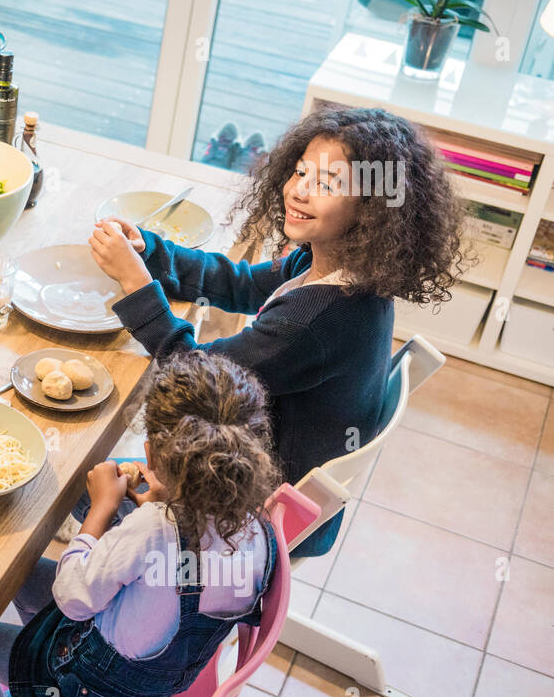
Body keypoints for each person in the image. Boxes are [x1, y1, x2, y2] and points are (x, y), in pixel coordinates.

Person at [89, 107, 467, 556]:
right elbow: (241, 283)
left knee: (83, 481)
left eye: (326, 184)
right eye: (301, 171)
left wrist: (136, 286)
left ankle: (89, 611)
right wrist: (150, 251)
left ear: (372, 211)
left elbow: (192, 373)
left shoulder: (315, 323)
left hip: (255, 515)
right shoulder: (328, 265)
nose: (299, 190)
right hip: (265, 469)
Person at [0, 352, 281, 697]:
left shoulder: (152, 529)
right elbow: (183, 565)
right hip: (160, 681)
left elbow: (72, 599)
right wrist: (157, 503)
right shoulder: (256, 525)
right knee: (20, 571)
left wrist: (102, 509)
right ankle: (29, 674)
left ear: (152, 455)